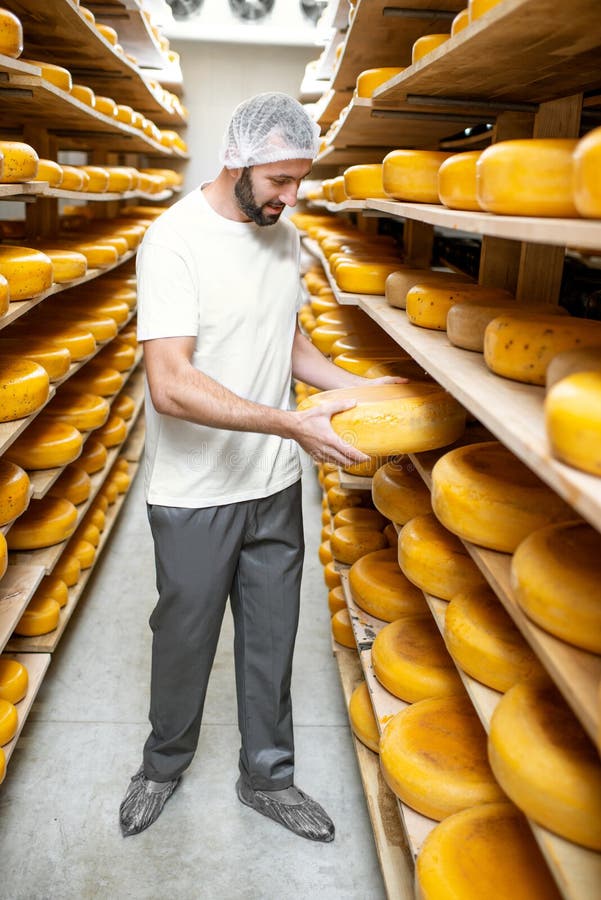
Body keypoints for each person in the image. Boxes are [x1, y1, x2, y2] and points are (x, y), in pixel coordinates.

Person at [119, 93, 397, 843]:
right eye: (278, 180)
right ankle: (162, 765)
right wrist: (288, 422)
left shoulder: (286, 236)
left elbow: (287, 343)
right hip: (196, 492)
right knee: (184, 640)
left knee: (272, 640)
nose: (290, 195)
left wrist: (357, 387)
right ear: (235, 163)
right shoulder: (173, 241)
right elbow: (170, 384)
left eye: (299, 179)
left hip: (274, 484)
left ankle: (267, 778)